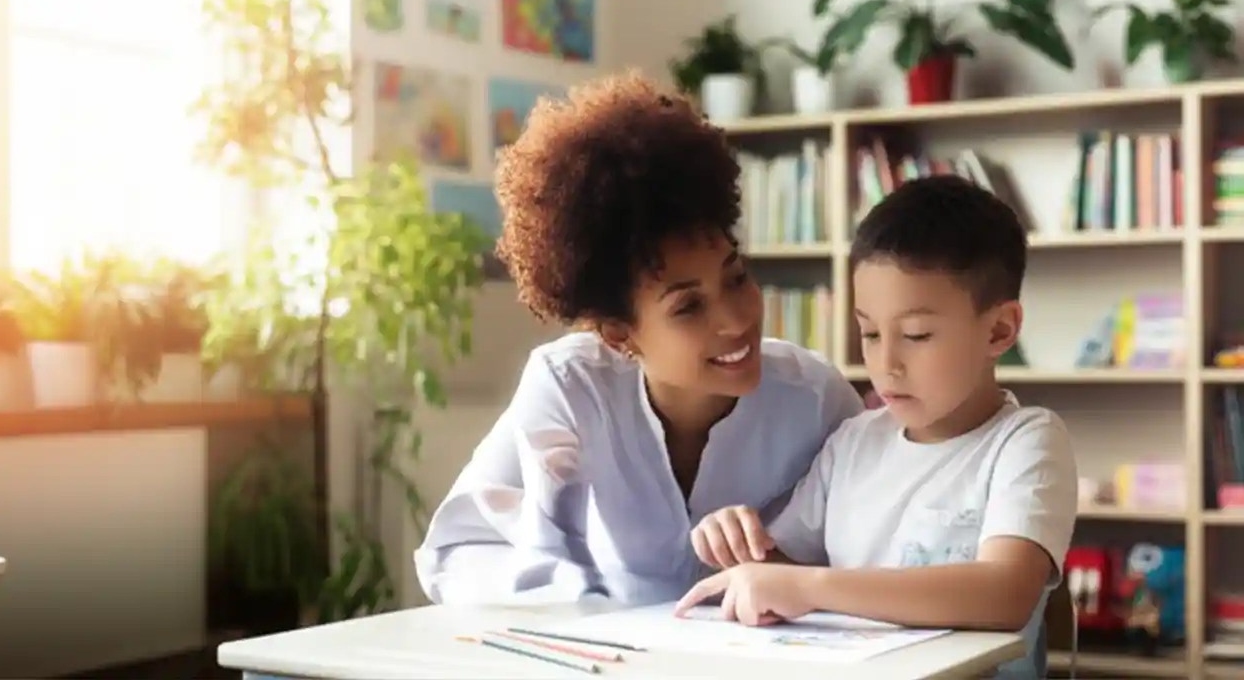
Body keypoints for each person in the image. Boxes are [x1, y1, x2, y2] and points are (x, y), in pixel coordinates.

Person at [413, 73, 864, 606]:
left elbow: (877, 552)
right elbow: (453, 550)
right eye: (688, 306)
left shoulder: (816, 400)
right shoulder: (568, 387)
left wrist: (785, 567)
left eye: (736, 276)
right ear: (619, 333)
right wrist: (560, 574)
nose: (736, 318)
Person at [676, 176, 1078, 680]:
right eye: (868, 332)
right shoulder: (853, 441)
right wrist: (741, 549)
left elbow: (1005, 593)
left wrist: (811, 588)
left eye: (916, 335)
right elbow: (785, 570)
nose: (885, 363)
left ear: (999, 330)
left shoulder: (1025, 441)